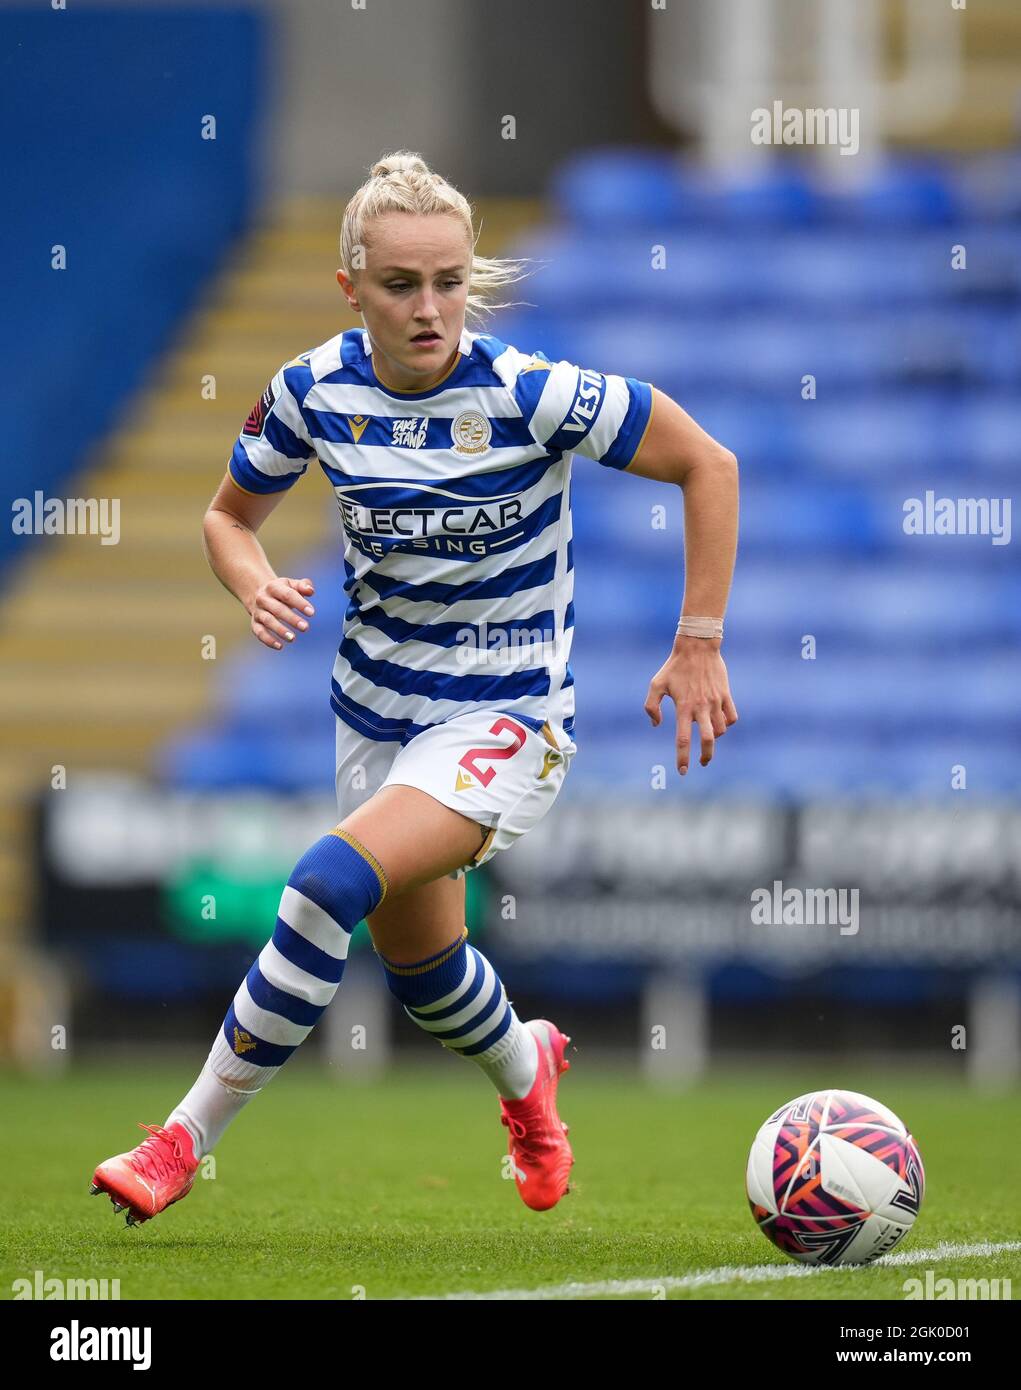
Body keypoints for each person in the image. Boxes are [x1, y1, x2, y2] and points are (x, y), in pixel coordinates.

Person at [90, 150, 739, 1224]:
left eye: (449, 280)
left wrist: (699, 638)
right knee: (427, 972)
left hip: (508, 720)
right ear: (352, 289)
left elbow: (706, 463)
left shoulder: (534, 393)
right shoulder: (311, 390)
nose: (430, 308)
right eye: (401, 285)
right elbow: (225, 515)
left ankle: (178, 1141)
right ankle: (527, 1071)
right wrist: (252, 583)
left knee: (325, 882)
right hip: (375, 720)